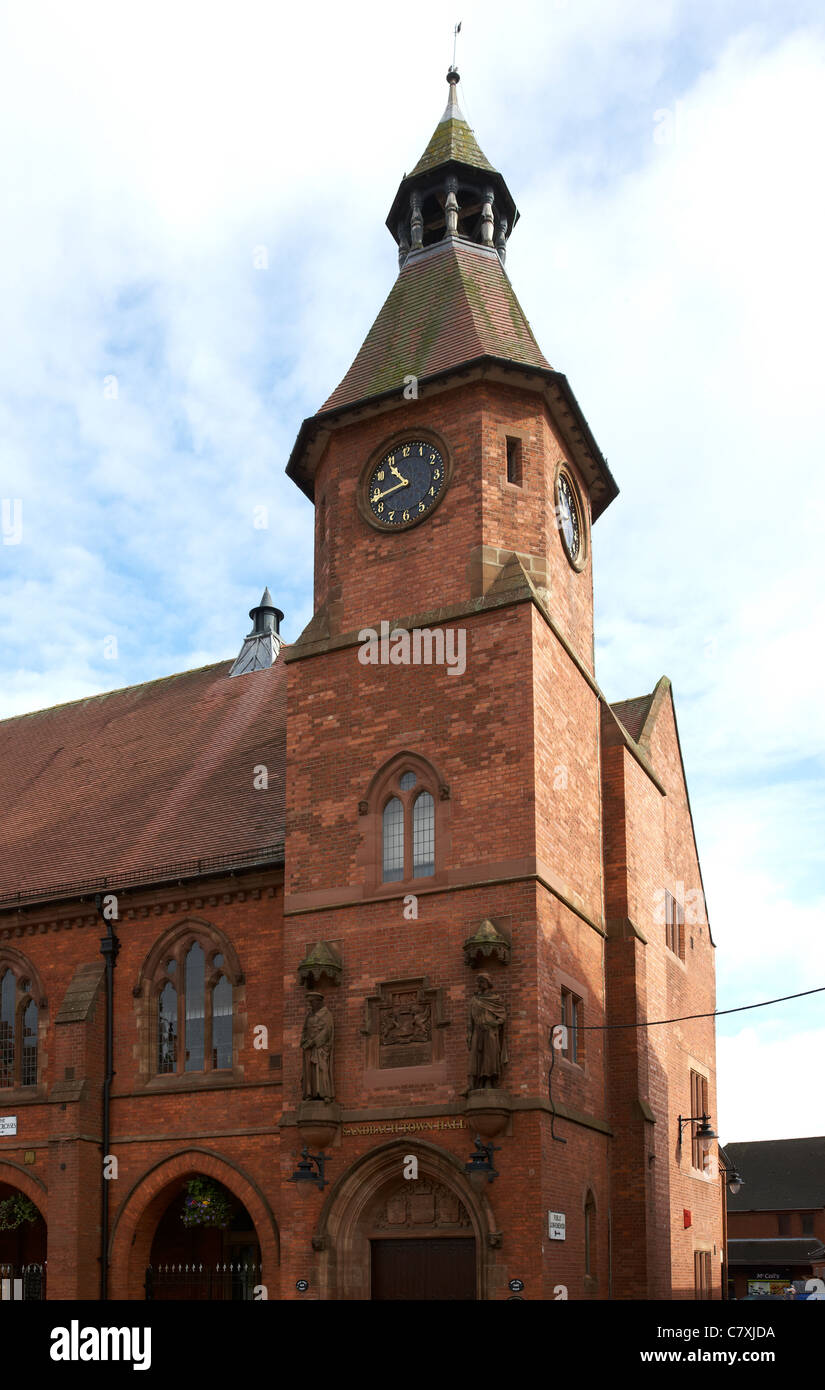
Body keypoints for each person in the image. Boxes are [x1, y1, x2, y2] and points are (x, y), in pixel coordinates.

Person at [467, 973, 507, 1089]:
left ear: (488, 983)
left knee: (490, 1057)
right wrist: (469, 1034)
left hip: (490, 1031)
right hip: (477, 1031)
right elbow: (470, 1019)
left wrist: (494, 1023)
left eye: (483, 981)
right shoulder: (474, 1000)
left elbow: (502, 1016)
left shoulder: (495, 999)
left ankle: (489, 1080)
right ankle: (475, 1082)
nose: (480, 984)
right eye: (479, 982)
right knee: (475, 1056)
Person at [301, 992, 335, 1101]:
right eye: (309, 1002)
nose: (311, 1005)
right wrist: (304, 1041)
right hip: (309, 1047)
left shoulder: (326, 1014)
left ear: (318, 1002)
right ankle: (311, 1093)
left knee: (322, 1068)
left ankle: (325, 1094)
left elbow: (327, 1031)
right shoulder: (309, 1015)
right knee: (309, 1070)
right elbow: (304, 1030)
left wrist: (314, 1042)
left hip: (321, 1047)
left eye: (312, 1002)